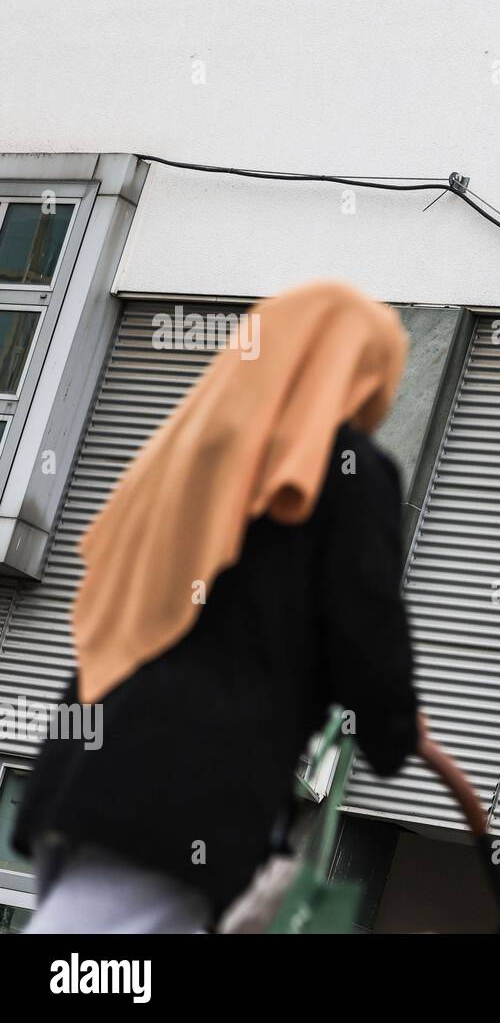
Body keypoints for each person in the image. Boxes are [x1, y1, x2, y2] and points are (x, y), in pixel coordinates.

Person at [13, 281, 422, 933]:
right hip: (182, 794)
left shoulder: (192, 447)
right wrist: (393, 730)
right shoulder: (347, 466)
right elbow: (365, 625)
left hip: (81, 771)